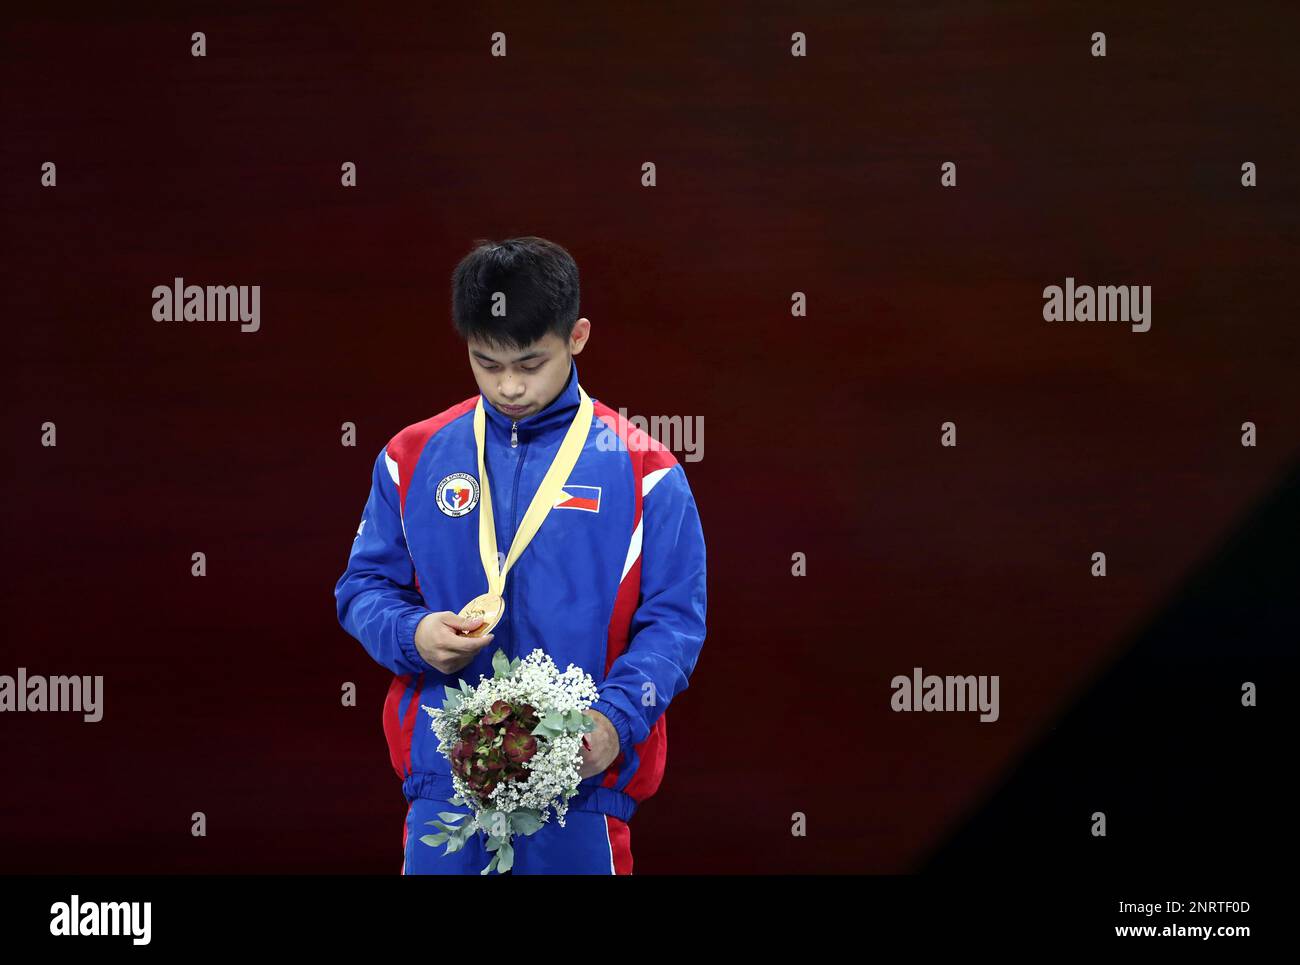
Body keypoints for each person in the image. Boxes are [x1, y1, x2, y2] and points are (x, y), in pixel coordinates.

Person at [334, 236, 707, 874]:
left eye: (531, 364)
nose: (509, 386)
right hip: (443, 784)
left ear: (578, 336)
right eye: (487, 363)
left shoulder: (646, 471)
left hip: (582, 791)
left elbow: (674, 625)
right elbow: (362, 587)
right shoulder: (411, 456)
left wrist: (615, 722)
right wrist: (414, 633)